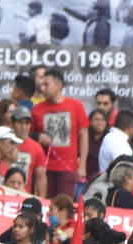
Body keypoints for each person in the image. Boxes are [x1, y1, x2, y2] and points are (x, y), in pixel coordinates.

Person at [30, 67, 89, 197]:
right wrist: (38, 136)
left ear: (58, 85)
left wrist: (82, 165)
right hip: (43, 168)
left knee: (64, 207)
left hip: (68, 168)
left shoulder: (76, 106)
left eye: (46, 85)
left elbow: (84, 135)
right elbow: (30, 135)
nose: (42, 88)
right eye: (41, 85)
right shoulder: (37, 109)